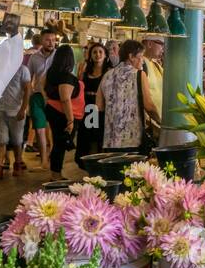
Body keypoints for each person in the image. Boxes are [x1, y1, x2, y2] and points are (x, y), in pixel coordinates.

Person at [97, 39, 158, 153]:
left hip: (110, 142)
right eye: (140, 57)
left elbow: (98, 107)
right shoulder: (139, 75)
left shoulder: (106, 75)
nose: (142, 61)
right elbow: (148, 106)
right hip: (133, 141)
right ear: (131, 56)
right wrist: (161, 122)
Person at [0, 48, 32, 179]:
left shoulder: (23, 70)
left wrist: (23, 109)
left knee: (17, 140)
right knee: (0, 140)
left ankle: (18, 164)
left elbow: (27, 90)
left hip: (16, 110)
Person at [43, 44, 83, 177]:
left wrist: (48, 102)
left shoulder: (51, 74)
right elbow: (65, 99)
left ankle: (56, 172)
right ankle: (56, 174)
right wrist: (70, 120)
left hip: (53, 111)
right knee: (61, 144)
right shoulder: (67, 77)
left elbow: (41, 87)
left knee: (57, 143)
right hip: (63, 114)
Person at [28, 28, 59, 169]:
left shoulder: (59, 56)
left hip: (55, 97)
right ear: (41, 40)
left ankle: (53, 156)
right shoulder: (34, 58)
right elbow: (28, 79)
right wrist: (27, 102)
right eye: (48, 39)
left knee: (53, 128)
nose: (51, 42)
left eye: (53, 40)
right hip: (38, 97)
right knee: (39, 129)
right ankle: (44, 161)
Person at [78, 41, 109, 169]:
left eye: (100, 52)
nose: (97, 55)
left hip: (101, 109)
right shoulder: (85, 70)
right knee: (89, 137)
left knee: (100, 137)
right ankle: (91, 164)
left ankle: (100, 164)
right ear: (90, 55)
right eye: (94, 52)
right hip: (88, 108)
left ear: (105, 55)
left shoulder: (109, 72)